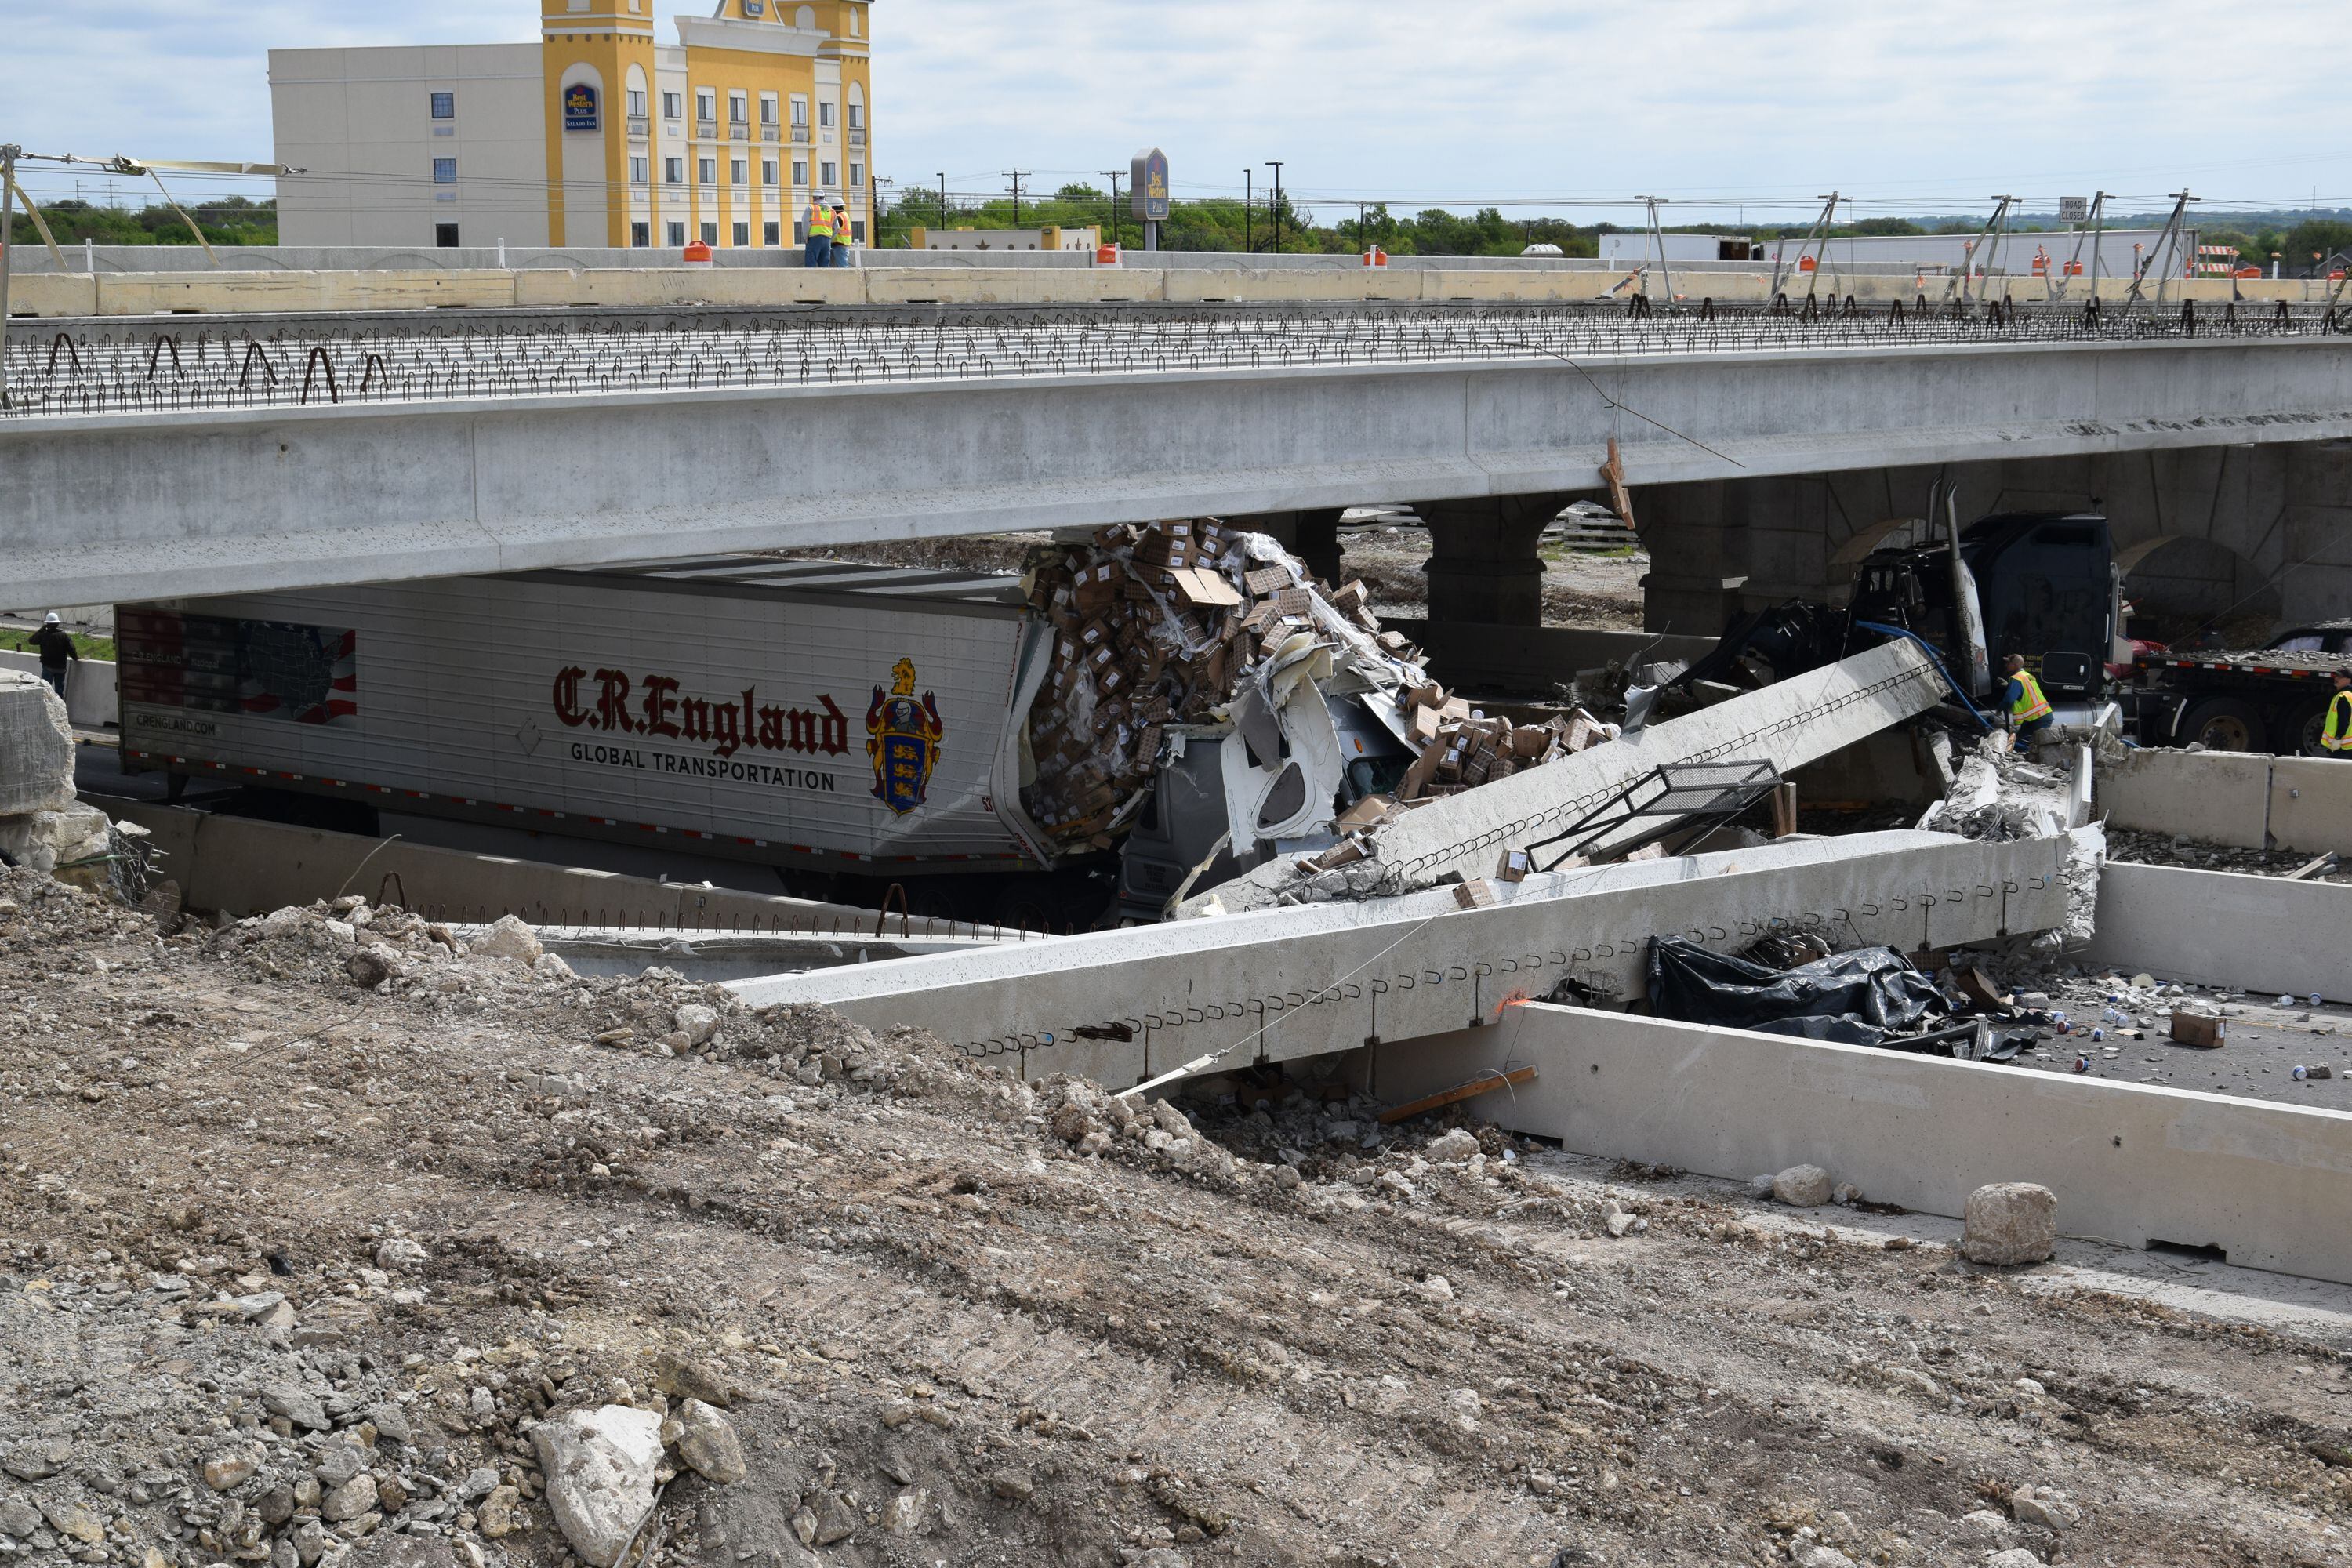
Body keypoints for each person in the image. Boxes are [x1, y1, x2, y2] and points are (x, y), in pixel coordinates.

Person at [2002, 653, 2053, 746]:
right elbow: (2025, 691)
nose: (2006, 665)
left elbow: (2009, 700)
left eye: (2008, 663)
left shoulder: (2016, 678)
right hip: (2039, 716)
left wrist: (1999, 708)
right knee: (2018, 742)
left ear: (2014, 665)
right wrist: (2010, 686)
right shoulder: (2027, 675)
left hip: (2038, 718)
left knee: (2029, 746)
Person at [29, 612, 78, 702]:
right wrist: (76, 658)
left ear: (47, 624)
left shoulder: (44, 635)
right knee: (59, 691)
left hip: (48, 667)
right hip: (61, 668)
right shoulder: (63, 635)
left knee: (45, 689)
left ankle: (46, 707)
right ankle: (60, 707)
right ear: (58, 623)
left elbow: (31, 640)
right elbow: (71, 649)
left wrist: (42, 629)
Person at [2322, 668, 2352, 755]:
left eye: (2340, 676)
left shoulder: (2343, 696)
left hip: (2344, 746)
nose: (2336, 678)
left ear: (2348, 680)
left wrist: (2338, 738)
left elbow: (2344, 720)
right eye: (2336, 676)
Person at [803, 194, 834, 269]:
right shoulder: (831, 211)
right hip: (827, 240)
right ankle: (825, 280)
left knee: (810, 265)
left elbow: (805, 224)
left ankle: (811, 281)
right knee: (825, 267)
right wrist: (830, 238)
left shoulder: (811, 208)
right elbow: (837, 227)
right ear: (824, 198)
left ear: (814, 198)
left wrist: (806, 238)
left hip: (814, 239)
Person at [829, 203, 852, 267]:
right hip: (845, 244)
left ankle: (846, 277)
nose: (833, 210)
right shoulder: (846, 215)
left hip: (839, 244)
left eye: (833, 208)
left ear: (837, 207)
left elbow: (834, 229)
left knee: (843, 267)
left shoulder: (839, 217)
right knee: (841, 266)